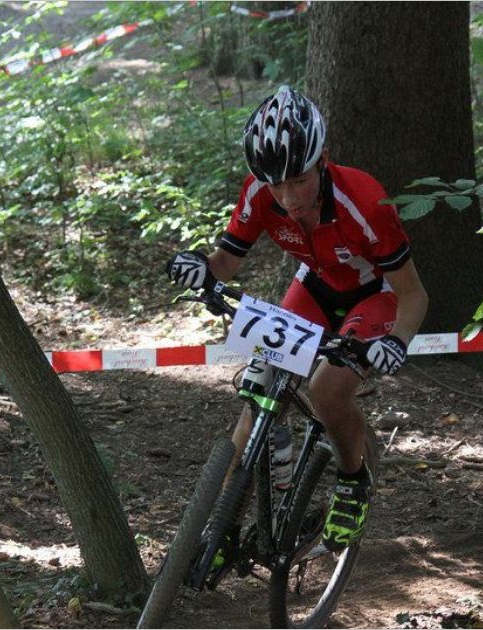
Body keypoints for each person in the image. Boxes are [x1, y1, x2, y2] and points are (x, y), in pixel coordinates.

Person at [165, 85, 428, 552]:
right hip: (315, 285)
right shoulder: (259, 192)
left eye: (299, 181)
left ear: (323, 159)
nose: (287, 197)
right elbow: (226, 260)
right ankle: (220, 527)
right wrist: (200, 267)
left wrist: (398, 341)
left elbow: (414, 294)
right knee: (259, 392)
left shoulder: (364, 201)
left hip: (375, 294)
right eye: (275, 184)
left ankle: (352, 480)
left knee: (326, 390)